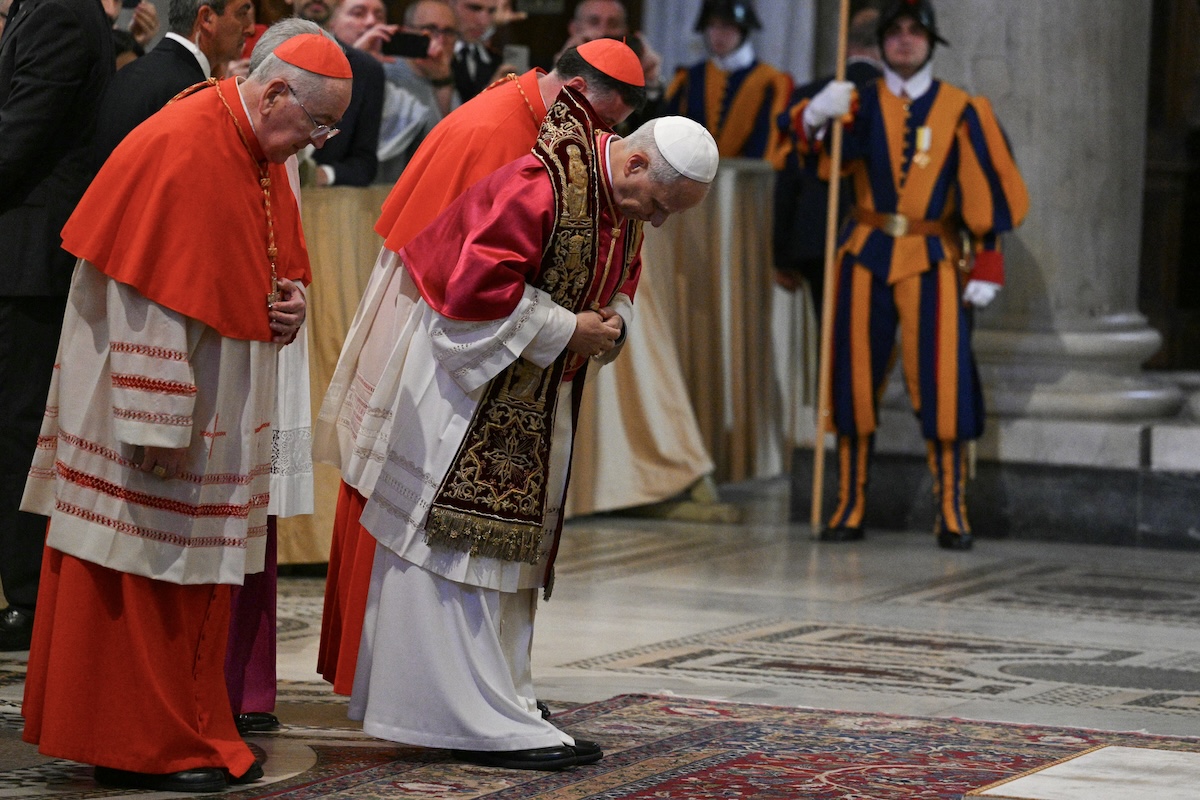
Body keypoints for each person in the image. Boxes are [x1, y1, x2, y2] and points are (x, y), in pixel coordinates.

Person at [18, 32, 349, 793]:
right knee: (139, 573)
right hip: (154, 414)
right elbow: (145, 303)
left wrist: (289, 299)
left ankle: (188, 729)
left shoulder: (248, 146)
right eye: (317, 125)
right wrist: (156, 423)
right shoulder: (185, 145)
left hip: (210, 408)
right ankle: (137, 744)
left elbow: (258, 259)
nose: (316, 142)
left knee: (185, 580)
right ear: (275, 96)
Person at [346, 103, 716, 769]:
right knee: (454, 560)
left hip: (527, 397)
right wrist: (570, 330)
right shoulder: (539, 185)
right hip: (462, 397)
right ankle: (456, 715)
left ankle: (500, 703)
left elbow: (621, 285)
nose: (654, 222)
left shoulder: (618, 197)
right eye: (658, 204)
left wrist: (615, 323)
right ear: (634, 162)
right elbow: (468, 298)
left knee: (501, 566)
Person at [314, 38, 646, 698]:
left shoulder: (558, 134)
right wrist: (563, 328)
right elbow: (463, 277)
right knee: (409, 500)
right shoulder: (501, 132)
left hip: (508, 347)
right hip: (439, 335)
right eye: (601, 120)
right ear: (576, 89)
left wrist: (607, 317)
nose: (602, 138)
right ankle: (408, 680)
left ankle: (482, 682)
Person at [794, 0, 1028, 549]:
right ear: (880, 43)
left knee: (944, 380)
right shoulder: (859, 102)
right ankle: (850, 502)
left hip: (933, 254)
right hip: (864, 249)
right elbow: (816, 162)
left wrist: (988, 262)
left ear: (931, 41)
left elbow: (987, 193)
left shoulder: (963, 108)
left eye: (913, 32)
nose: (903, 41)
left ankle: (951, 508)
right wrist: (814, 115)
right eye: (892, 32)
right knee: (852, 377)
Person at [0, 0, 114, 653]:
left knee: (19, 430)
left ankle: (28, 597)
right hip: (25, 250)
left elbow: (22, 134)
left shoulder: (61, 12)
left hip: (28, 254)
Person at [772, 6, 883, 307]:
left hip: (816, 239)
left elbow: (787, 177)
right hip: (877, 240)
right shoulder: (894, 100)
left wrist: (781, 254)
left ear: (845, 45)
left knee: (829, 337)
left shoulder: (807, 94)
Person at [93, 0, 257, 160]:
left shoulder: (133, 70)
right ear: (206, 18)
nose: (250, 29)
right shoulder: (190, 92)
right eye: (241, 13)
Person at [331, 0, 460, 183]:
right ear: (332, 23)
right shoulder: (316, 66)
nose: (371, 22)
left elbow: (443, 149)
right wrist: (356, 65)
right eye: (358, 13)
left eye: (379, 16)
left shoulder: (417, 69)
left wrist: (442, 80)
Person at [665, 0, 792, 163]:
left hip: (747, 180)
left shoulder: (770, 81)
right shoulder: (689, 78)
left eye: (726, 26)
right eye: (712, 25)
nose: (718, 34)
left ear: (742, 29)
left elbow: (766, 144)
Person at [293, 0, 383, 185]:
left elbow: (364, 163)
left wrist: (319, 175)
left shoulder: (365, 69)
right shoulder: (257, 53)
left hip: (327, 205)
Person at [448, 0, 502, 100]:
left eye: (491, 11)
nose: (484, 22)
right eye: (474, 8)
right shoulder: (428, 57)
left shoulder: (496, 62)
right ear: (449, 3)